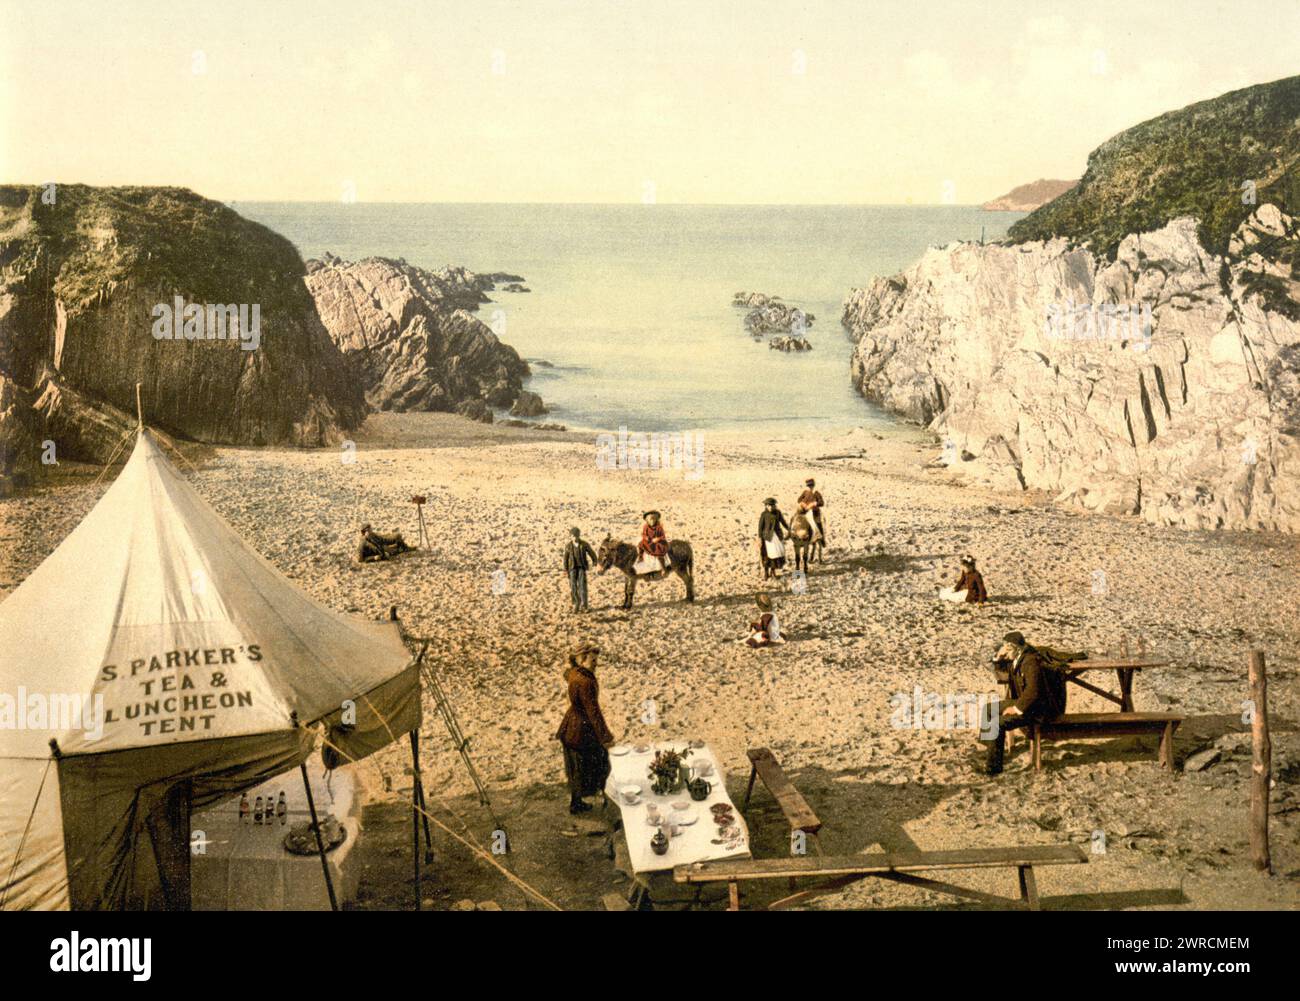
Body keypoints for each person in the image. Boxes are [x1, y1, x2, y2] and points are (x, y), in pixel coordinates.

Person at [980, 631, 1070, 775]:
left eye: (1007, 649)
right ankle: (991, 747)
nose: (1005, 652)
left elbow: (1033, 692)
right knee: (989, 708)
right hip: (1026, 703)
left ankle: (993, 768)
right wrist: (998, 658)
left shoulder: (1030, 662)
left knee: (997, 723)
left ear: (1016, 648)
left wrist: (1015, 708)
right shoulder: (1017, 657)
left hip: (1037, 710)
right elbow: (1001, 670)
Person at [555, 642, 616, 813]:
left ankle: (577, 802)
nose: (596, 664)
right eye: (593, 661)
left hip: (572, 727)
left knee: (576, 768)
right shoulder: (585, 681)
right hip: (580, 730)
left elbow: (567, 674)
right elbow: (593, 712)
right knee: (601, 761)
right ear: (582, 660)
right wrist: (606, 738)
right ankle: (604, 798)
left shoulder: (575, 673)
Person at [563, 527, 598, 612]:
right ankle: (576, 604)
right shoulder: (568, 546)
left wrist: (594, 561)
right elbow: (565, 558)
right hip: (572, 568)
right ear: (571, 536)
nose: (575, 538)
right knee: (573, 586)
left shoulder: (584, 544)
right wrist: (565, 569)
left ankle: (584, 606)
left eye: (577, 536)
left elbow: (591, 552)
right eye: (573, 536)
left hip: (582, 567)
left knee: (582, 587)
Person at [758, 497, 790, 578]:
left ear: (774, 506)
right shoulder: (764, 514)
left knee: (775, 555)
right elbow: (760, 527)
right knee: (766, 556)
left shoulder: (778, 513)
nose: (770, 507)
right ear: (766, 506)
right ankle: (766, 573)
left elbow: (783, 522)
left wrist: (789, 529)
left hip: (777, 537)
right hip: (767, 538)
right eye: (768, 506)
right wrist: (760, 539)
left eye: (772, 506)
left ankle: (773, 571)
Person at [796, 478, 826, 545]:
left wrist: (814, 504)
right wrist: (802, 503)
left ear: (814, 486)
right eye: (809, 486)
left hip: (814, 512)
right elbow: (799, 500)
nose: (810, 487)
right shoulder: (805, 492)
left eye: (811, 486)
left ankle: (822, 539)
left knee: (818, 524)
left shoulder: (816, 493)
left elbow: (822, 503)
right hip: (805, 511)